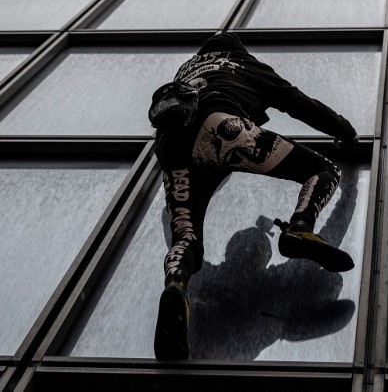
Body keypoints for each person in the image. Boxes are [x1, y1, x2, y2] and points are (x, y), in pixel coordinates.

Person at [150, 31, 359, 360]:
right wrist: (345, 131)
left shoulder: (188, 70)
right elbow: (300, 104)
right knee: (323, 170)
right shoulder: (243, 64)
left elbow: (169, 224)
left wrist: (183, 206)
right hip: (222, 128)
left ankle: (175, 284)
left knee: (185, 239)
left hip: (171, 147)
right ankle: (300, 228)